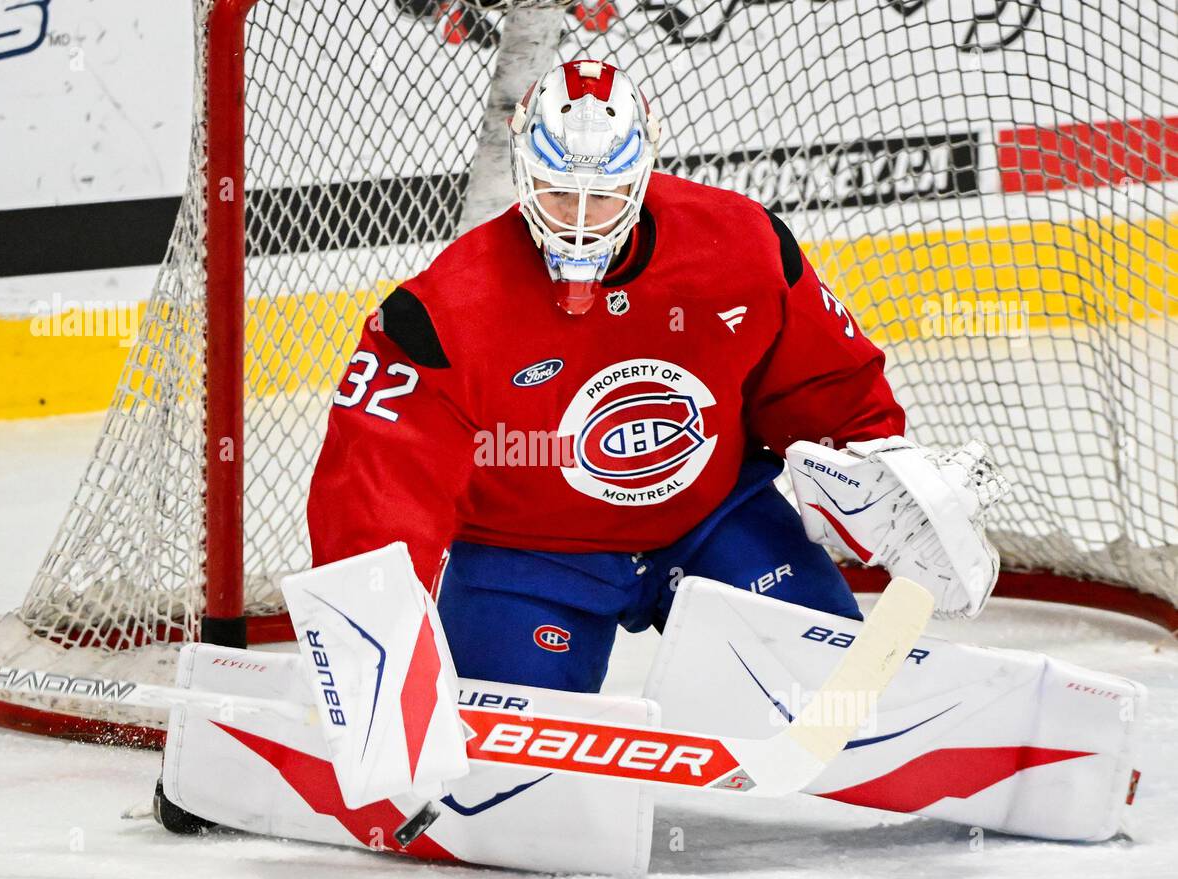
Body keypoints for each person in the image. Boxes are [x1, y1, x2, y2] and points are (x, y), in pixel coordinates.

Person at [306, 59, 1003, 694]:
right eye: (556, 194)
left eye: (603, 198)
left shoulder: (740, 246)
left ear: (640, 176)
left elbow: (825, 384)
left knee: (833, 690)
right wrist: (369, 624)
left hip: (713, 521)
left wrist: (882, 464)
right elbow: (377, 480)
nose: (579, 223)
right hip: (531, 554)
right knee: (499, 755)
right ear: (525, 173)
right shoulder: (443, 311)